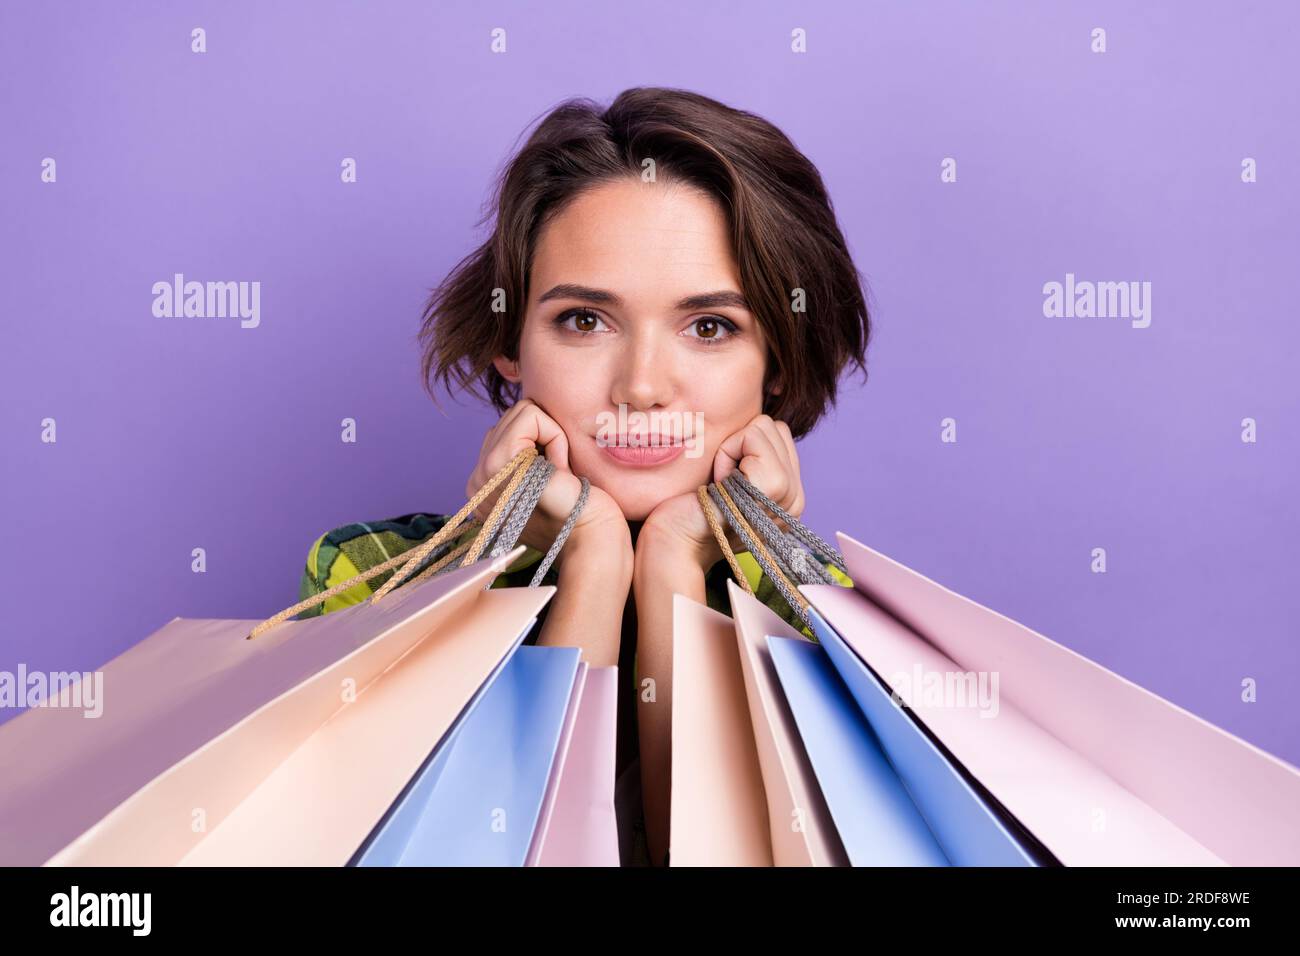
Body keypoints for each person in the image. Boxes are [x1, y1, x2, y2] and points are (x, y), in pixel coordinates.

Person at [296, 87, 870, 866]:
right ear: (511, 345)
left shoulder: (839, 637)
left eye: (709, 327)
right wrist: (592, 561)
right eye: (584, 320)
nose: (641, 385)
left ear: (776, 368)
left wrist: (672, 563)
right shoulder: (370, 584)